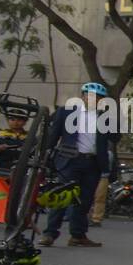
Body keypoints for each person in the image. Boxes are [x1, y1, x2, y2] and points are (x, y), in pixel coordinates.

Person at [38, 82, 115, 248]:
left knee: (85, 200)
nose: (95, 99)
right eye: (91, 95)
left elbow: (115, 138)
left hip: (93, 162)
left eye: (99, 97)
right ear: (83, 96)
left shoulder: (105, 117)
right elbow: (53, 135)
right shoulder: (66, 112)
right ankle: (50, 234)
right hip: (69, 160)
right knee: (62, 197)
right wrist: (42, 154)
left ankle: (78, 235)